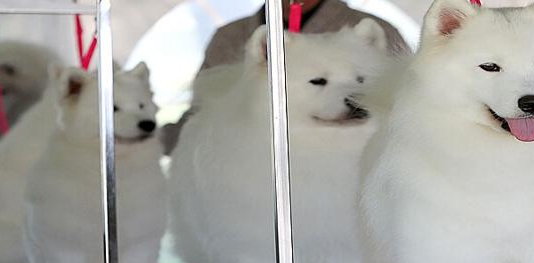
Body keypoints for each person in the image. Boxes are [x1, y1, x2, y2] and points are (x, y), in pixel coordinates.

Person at [161, 0, 408, 154]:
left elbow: (405, 107)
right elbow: (200, 115)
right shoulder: (230, 37)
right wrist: (157, 141)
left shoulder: (373, 31)